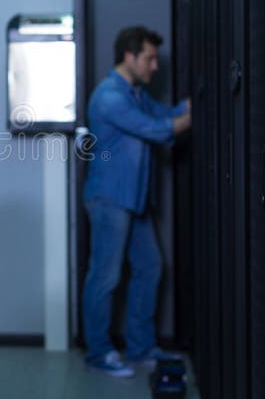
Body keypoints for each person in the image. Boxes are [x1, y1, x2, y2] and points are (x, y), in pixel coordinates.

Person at [81, 26, 191, 378]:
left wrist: (193, 103)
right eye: (149, 58)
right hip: (111, 198)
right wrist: (196, 113)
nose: (154, 66)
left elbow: (168, 113)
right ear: (129, 57)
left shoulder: (135, 93)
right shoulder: (109, 97)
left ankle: (141, 347)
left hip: (135, 198)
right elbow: (159, 129)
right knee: (105, 276)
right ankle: (98, 352)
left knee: (150, 267)